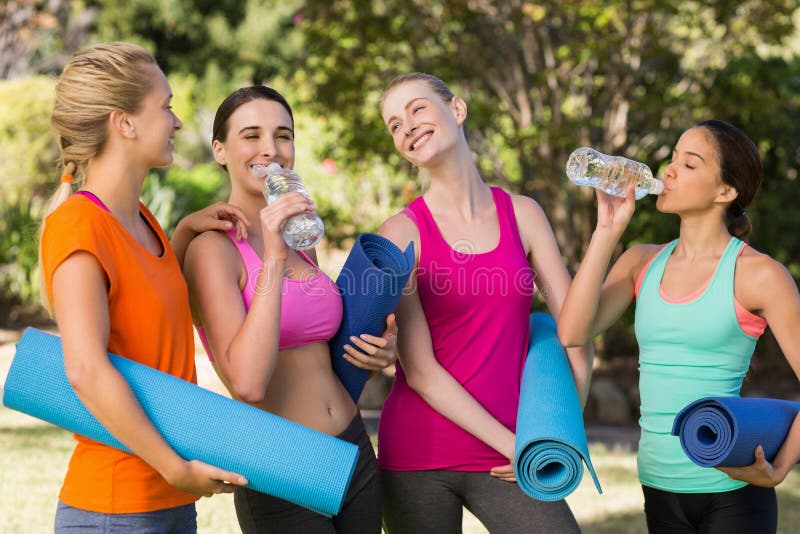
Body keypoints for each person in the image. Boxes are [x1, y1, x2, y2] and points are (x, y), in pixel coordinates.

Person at [38, 42, 250, 533]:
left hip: (166, 501)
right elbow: (86, 370)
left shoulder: (144, 220)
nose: (176, 122)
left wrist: (181, 235)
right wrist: (175, 467)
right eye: (166, 106)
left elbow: (143, 307)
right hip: (116, 505)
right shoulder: (78, 226)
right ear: (124, 122)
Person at [558, 119, 800, 533]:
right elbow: (572, 333)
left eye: (689, 164)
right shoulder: (640, 261)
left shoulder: (759, 274)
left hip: (732, 490)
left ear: (726, 192)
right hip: (657, 485)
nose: (667, 170)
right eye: (671, 158)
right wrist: (607, 229)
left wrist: (780, 465)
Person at [375, 72, 592, 533]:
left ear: (457, 109)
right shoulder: (400, 233)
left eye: (417, 109)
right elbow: (421, 371)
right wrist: (514, 445)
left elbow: (575, 329)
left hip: (512, 446)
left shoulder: (524, 214)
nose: (407, 127)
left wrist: (555, 433)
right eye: (394, 124)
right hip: (421, 452)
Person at [180, 85, 397, 534]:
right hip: (281, 462)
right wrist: (274, 257)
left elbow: (318, 359)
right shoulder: (212, 251)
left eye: (283, 135)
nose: (270, 149)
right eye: (251, 135)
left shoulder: (303, 242)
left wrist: (376, 355)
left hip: (352, 447)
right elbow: (248, 381)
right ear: (219, 150)